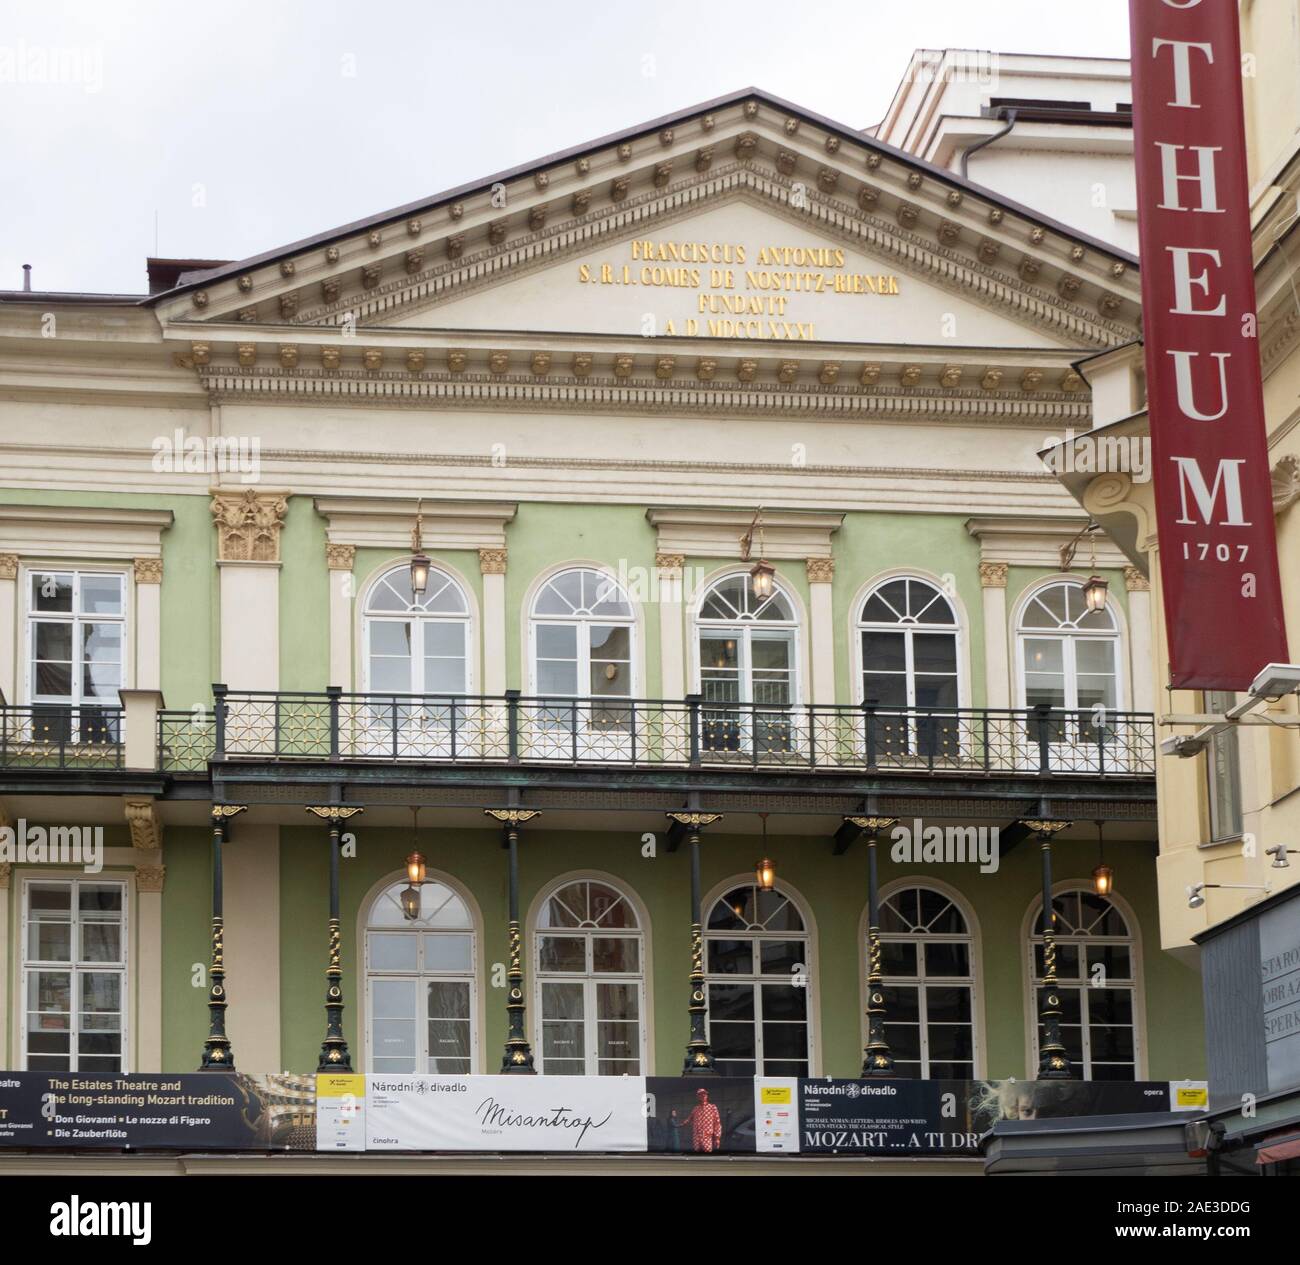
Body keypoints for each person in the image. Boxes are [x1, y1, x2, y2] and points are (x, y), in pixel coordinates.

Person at [675, 1087, 723, 1153]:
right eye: (700, 1094)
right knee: (696, 1154)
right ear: (698, 1097)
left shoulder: (712, 1107)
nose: (703, 1095)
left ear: (707, 1096)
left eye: (705, 1094)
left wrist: (717, 1138)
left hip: (707, 1136)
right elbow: (689, 1118)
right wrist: (681, 1124)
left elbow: (717, 1123)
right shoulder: (696, 1109)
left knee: (707, 1153)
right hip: (696, 1136)